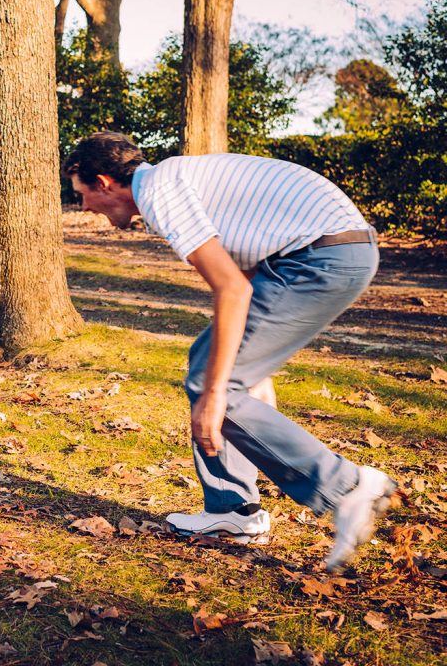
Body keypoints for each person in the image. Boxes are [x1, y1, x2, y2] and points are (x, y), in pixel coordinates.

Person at [64, 131, 396, 573]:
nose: (84, 207)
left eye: (82, 195)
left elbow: (233, 288)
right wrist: (251, 370)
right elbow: (248, 271)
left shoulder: (161, 192)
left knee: (210, 381)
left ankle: (348, 487)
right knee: (214, 364)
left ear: (104, 183)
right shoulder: (175, 180)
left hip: (324, 256)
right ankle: (231, 510)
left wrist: (220, 391)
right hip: (327, 252)